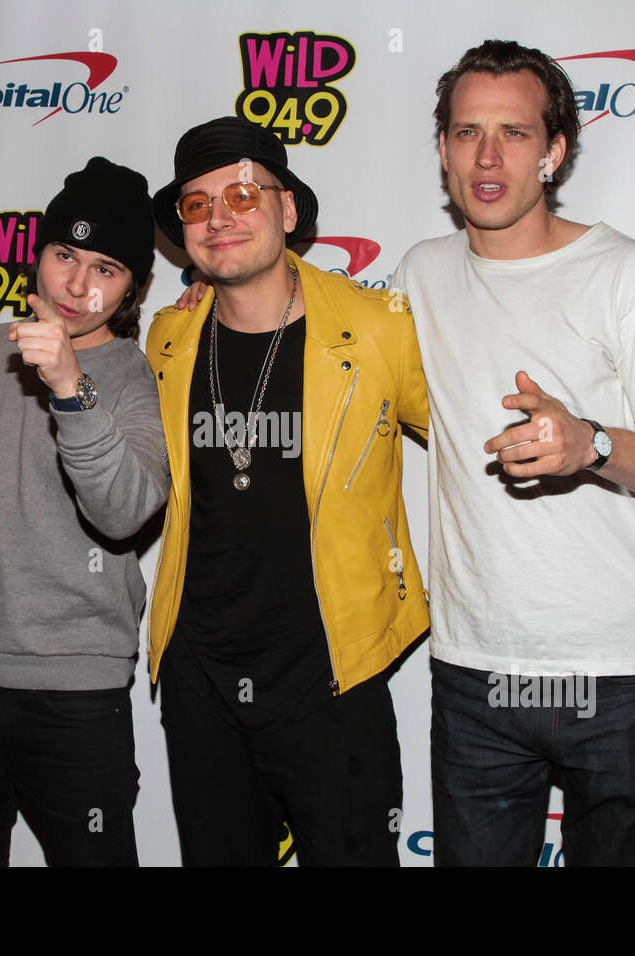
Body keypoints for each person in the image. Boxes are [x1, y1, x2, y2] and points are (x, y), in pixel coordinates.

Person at [394, 39, 635, 866]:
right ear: (442, 151)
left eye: (515, 132)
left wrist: (594, 445)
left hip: (613, 668)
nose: (489, 155)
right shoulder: (420, 273)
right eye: (467, 133)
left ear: (556, 151)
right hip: (473, 669)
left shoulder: (631, 271)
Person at [145, 116, 430, 866]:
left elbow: (474, 446)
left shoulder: (379, 328)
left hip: (331, 672)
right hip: (201, 677)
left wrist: (601, 473)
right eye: (197, 204)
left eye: (243, 193)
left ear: (289, 210)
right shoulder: (166, 341)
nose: (220, 217)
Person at [0, 156, 169, 866]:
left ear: (132, 286)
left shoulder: (136, 379)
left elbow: (124, 512)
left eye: (105, 268)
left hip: (73, 697)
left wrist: (72, 392)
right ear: (37, 255)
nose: (77, 285)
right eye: (64, 255)